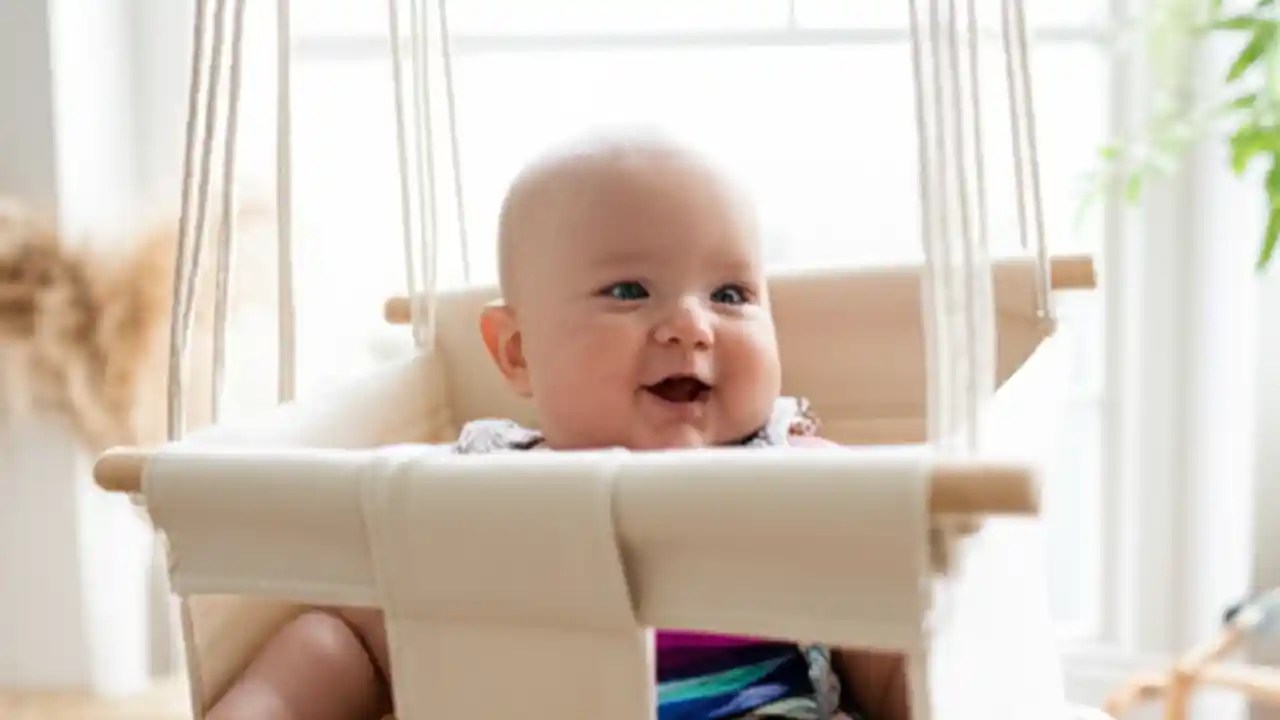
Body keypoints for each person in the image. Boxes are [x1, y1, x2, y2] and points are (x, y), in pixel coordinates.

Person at [208, 133, 910, 720]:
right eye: (629, 291)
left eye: (730, 295)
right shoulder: (478, 490)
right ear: (518, 353)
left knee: (918, 623)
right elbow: (365, 638)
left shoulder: (797, 475)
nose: (692, 327)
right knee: (324, 638)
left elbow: (888, 648)